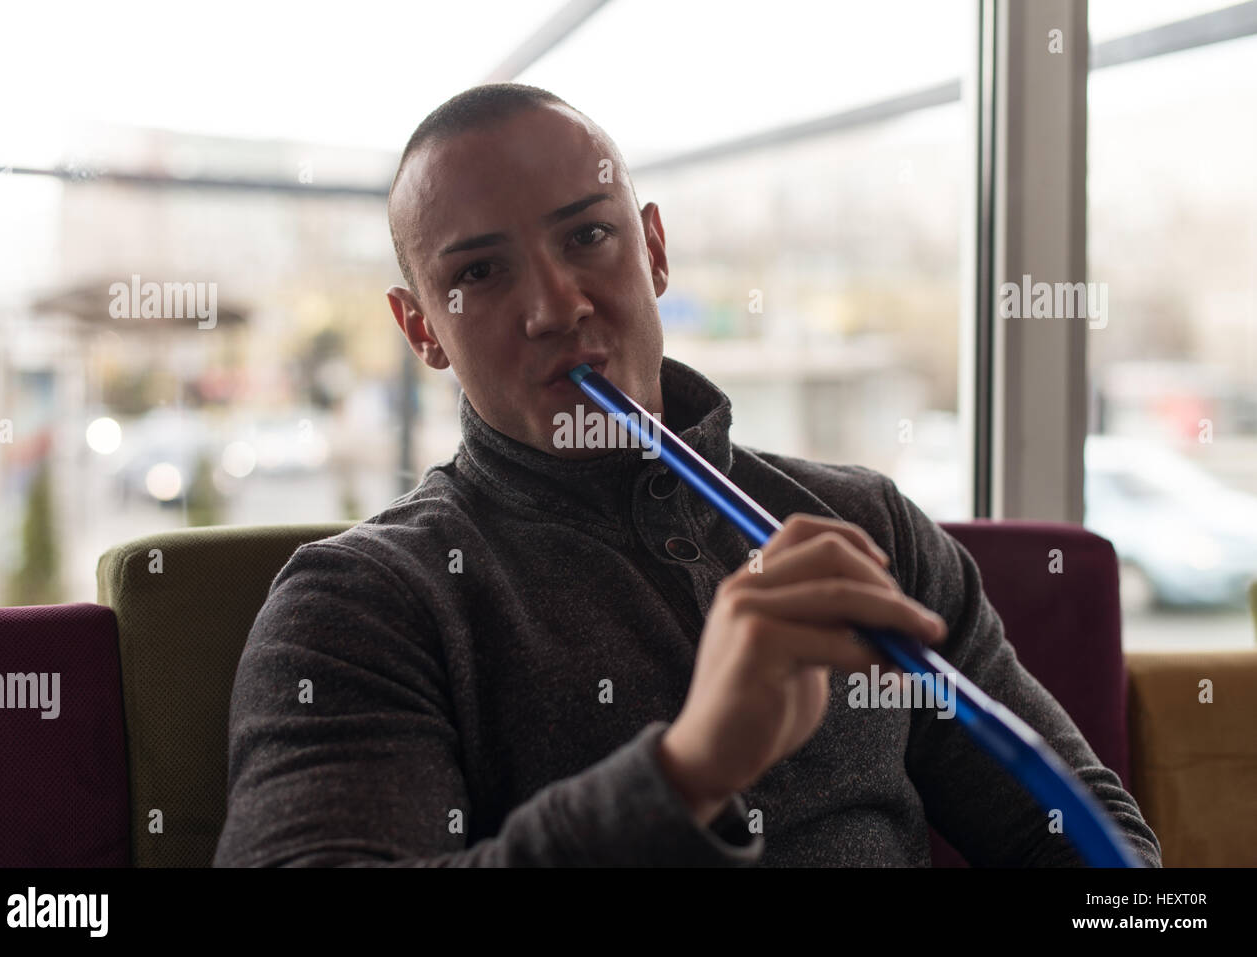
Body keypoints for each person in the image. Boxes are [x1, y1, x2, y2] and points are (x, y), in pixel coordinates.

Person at [213, 83, 1162, 867]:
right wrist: (687, 771)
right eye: (483, 273)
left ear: (654, 249)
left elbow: (1089, 838)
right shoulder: (363, 602)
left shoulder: (865, 524)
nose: (556, 305)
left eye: (588, 237)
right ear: (422, 326)